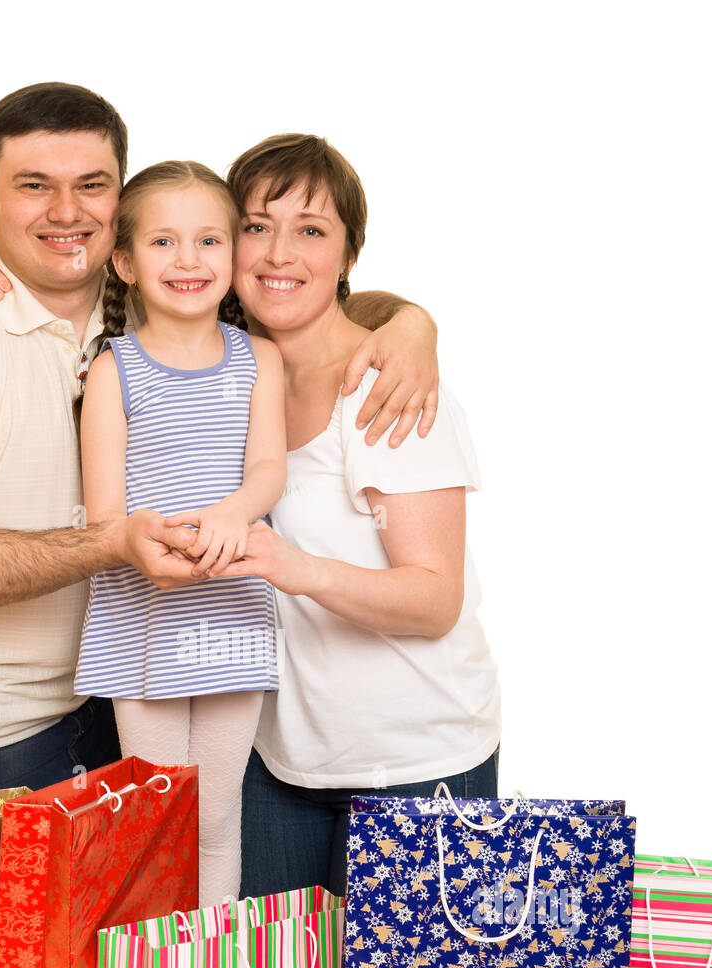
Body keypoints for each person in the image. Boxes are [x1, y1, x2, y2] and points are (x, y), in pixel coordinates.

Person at [0, 82, 440, 808]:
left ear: (117, 209)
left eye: (89, 186)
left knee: (163, 882)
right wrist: (119, 542)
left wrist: (411, 322)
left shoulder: (145, 299)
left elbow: (302, 297)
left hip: (121, 679)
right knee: (44, 916)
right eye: (33, 186)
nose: (64, 211)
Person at [207, 136, 502, 896]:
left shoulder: (387, 387)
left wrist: (294, 568)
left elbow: (433, 600)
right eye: (255, 225)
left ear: (346, 255)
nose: (279, 252)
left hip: (417, 764)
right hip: (278, 762)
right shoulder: (234, 374)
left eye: (311, 229)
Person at [76, 160, 284, 902]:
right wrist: (156, 541)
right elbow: (105, 515)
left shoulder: (257, 358)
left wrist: (230, 518)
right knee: (157, 818)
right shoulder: (115, 368)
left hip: (232, 610)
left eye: (208, 241)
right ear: (125, 262)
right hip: (144, 617)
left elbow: (266, 467)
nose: (189, 260)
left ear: (234, 255)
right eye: (163, 242)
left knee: (218, 817)